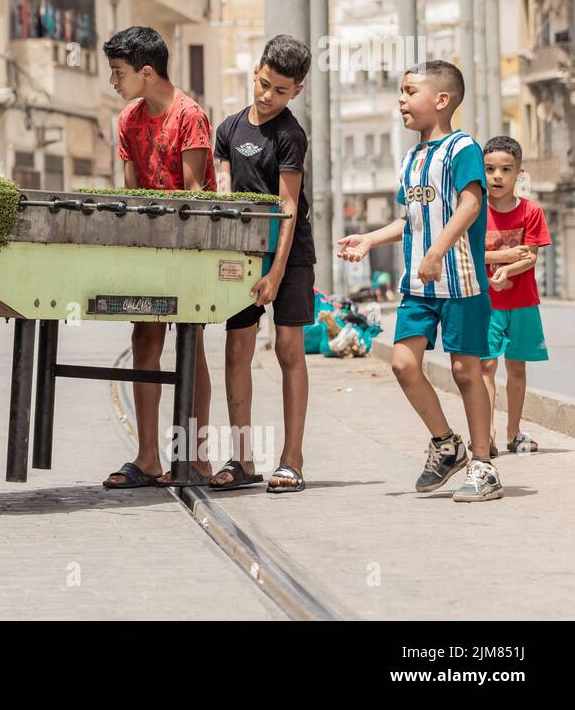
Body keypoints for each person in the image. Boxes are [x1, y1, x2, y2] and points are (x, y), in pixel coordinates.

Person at [337, 60, 502, 502]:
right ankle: (447, 445)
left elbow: (469, 206)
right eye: (401, 93)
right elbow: (411, 220)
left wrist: (436, 252)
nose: (401, 101)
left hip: (460, 280)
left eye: (410, 92)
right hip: (419, 285)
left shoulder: (463, 147)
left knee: (466, 371)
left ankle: (484, 465)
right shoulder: (411, 158)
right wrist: (370, 239)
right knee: (403, 364)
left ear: (441, 100)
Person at [100, 25, 216, 488]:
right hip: (145, 251)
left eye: (118, 72)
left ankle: (195, 459)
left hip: (188, 252)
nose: (114, 81)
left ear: (147, 73)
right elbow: (130, 194)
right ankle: (147, 458)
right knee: (145, 344)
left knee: (193, 349)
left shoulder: (192, 116)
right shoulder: (127, 119)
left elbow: (194, 195)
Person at [210, 34, 315, 493]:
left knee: (290, 350)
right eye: (265, 84)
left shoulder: (291, 135)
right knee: (237, 351)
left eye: (281, 90)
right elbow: (223, 196)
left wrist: (275, 272)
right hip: (241, 258)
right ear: (256, 72)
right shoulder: (229, 130)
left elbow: (287, 208)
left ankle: (292, 458)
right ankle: (243, 458)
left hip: (289, 259)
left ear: (297, 92)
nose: (268, 96)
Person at [481, 135, 549, 455]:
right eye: (490, 169)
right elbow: (468, 252)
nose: (497, 176)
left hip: (522, 302)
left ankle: (513, 432)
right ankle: (487, 433)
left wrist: (507, 271)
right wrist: (506, 259)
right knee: (486, 368)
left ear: (518, 173)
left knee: (517, 368)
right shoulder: (475, 211)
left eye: (505, 169)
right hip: (486, 304)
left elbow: (531, 256)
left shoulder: (531, 212)